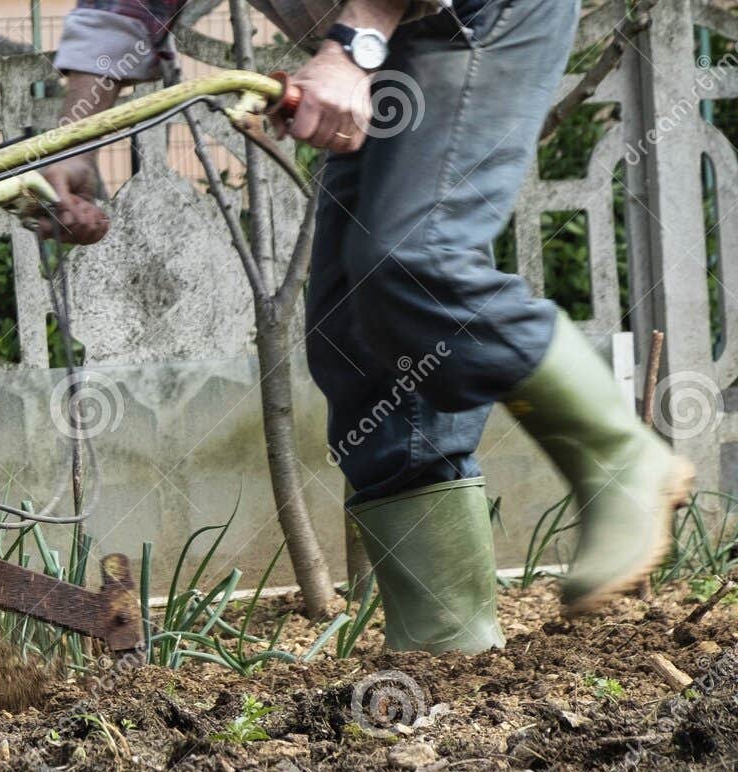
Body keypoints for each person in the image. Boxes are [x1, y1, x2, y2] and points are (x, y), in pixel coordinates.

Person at [41, 1, 693, 654]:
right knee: (356, 329)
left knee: (415, 257)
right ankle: (447, 646)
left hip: (481, 12)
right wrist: (75, 134)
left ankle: (620, 459)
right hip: (393, 32)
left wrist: (355, 44)